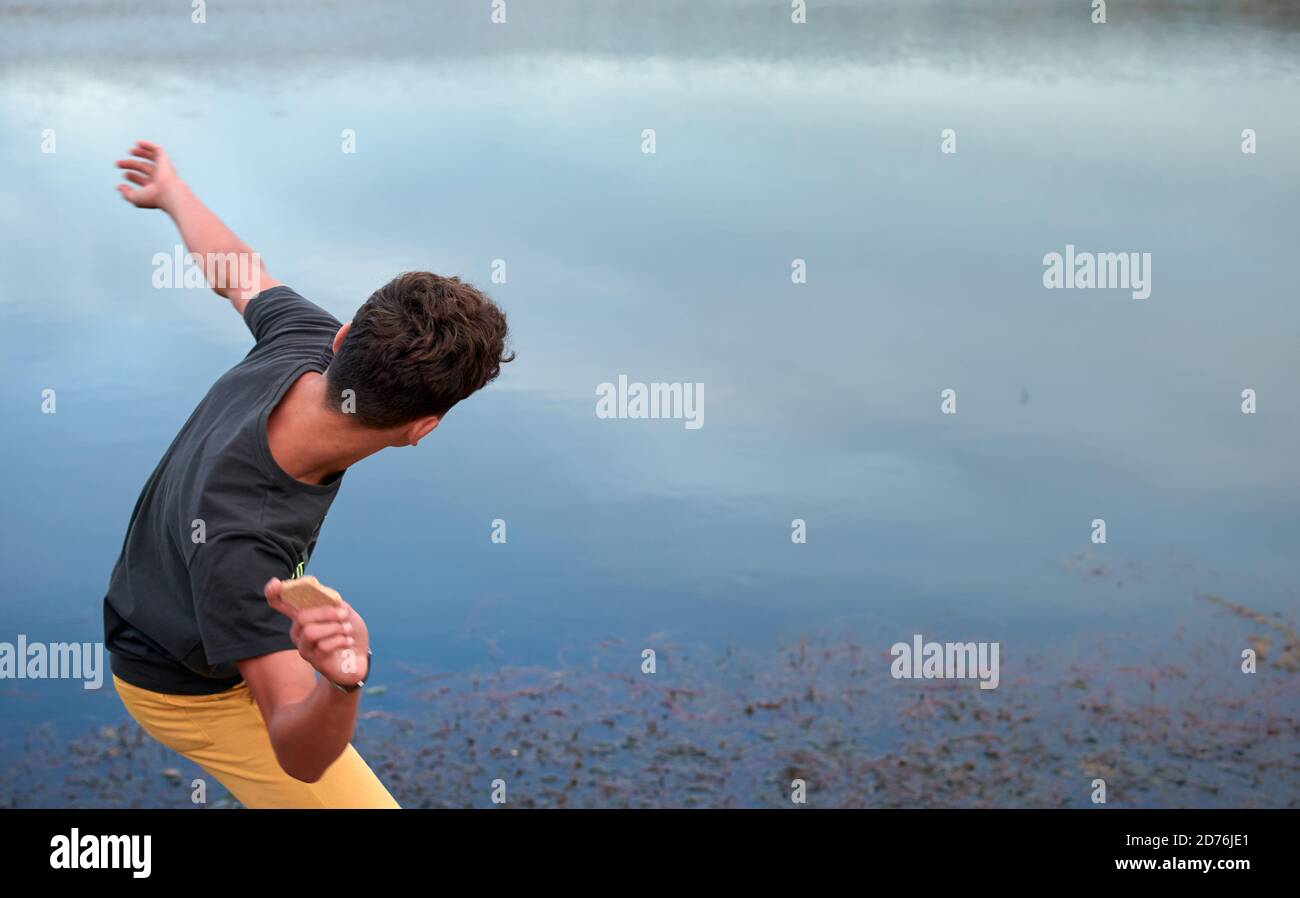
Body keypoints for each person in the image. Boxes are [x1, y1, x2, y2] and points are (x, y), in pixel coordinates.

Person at [102, 141, 512, 808]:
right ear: (422, 430)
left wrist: (172, 192)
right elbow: (298, 754)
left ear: (346, 337)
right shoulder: (243, 540)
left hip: (177, 603)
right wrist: (342, 683)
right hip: (182, 686)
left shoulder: (305, 343)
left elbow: (237, 269)